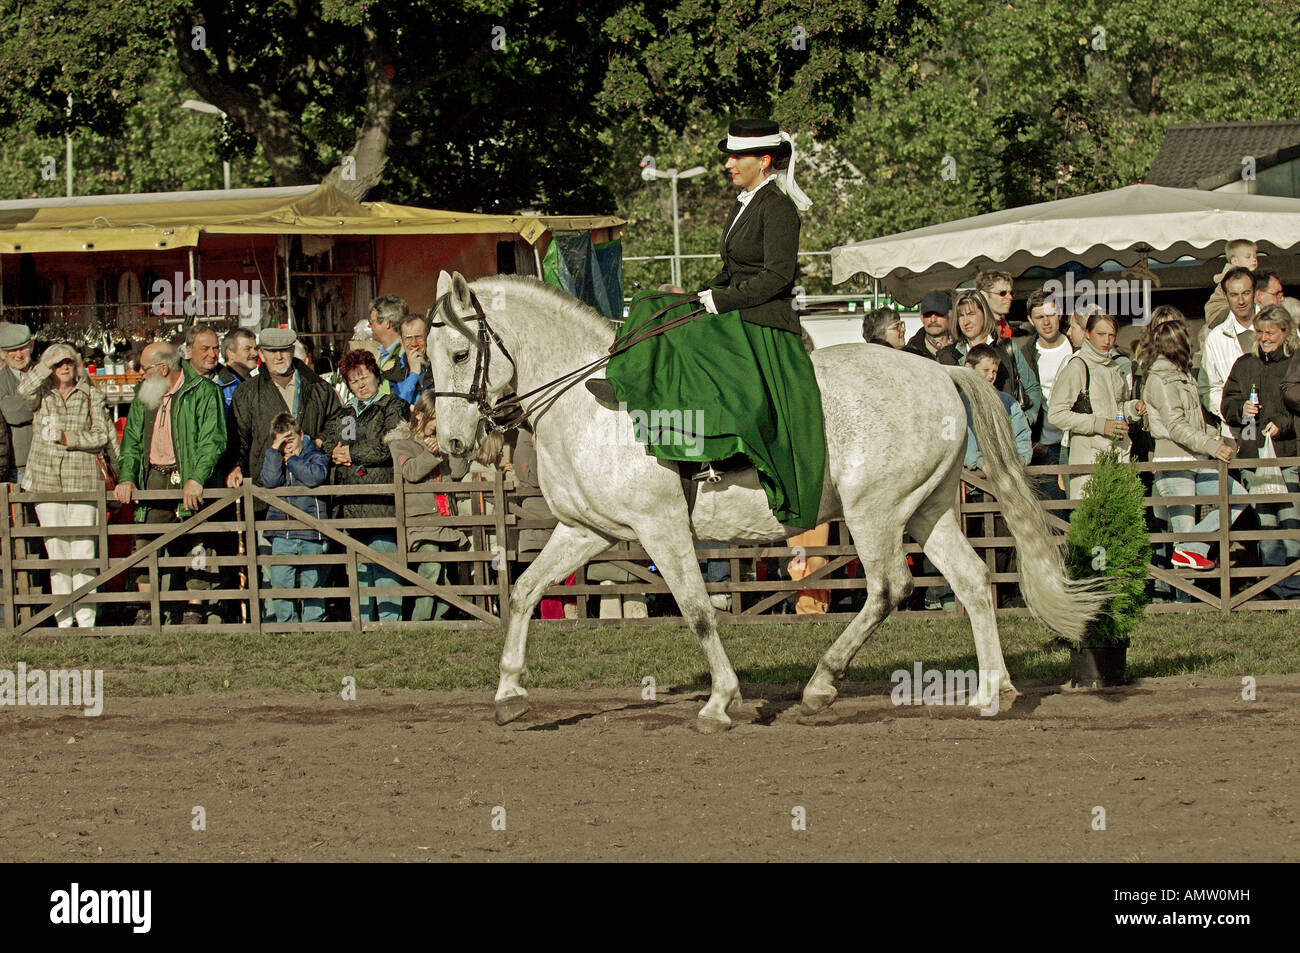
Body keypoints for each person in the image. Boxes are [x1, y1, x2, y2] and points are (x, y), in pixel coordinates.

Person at [594, 117, 824, 529]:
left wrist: (721, 300)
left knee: (682, 335)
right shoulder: (743, 204)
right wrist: (697, 295)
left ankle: (708, 442)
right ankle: (623, 377)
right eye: (729, 157)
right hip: (735, 304)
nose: (728, 164)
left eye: (737, 157)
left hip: (762, 318)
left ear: (764, 160)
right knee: (651, 302)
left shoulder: (778, 207)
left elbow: (776, 277)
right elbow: (731, 268)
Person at [113, 340, 228, 625]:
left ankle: (194, 608)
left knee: (197, 542)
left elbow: (212, 440)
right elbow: (132, 442)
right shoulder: (145, 394)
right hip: (154, 474)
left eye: (144, 368)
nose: (140, 373)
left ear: (163, 368)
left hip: (187, 474)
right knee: (145, 540)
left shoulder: (204, 392)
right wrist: (127, 477)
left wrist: (196, 478)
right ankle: (147, 609)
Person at [18, 344, 115, 627]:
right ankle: (63, 617)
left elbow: (101, 436)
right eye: (57, 363)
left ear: (77, 365)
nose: (64, 366)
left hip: (82, 480)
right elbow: (24, 390)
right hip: (45, 482)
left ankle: (86, 619)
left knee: (84, 551)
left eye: (68, 361)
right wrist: (44, 365)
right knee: (57, 553)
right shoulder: (41, 395)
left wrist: (68, 437)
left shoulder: (91, 395)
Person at [1141, 320, 1246, 573]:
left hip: (1198, 455)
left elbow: (1196, 419)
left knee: (1237, 497)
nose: (1190, 341)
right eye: (1185, 336)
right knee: (1183, 531)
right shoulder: (1160, 379)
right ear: (1176, 342)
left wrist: (1215, 437)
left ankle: (1189, 548)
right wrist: (1212, 445)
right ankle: (1183, 604)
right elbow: (1176, 425)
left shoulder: (1184, 374)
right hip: (1174, 460)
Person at [320, 348, 408, 623]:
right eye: (353, 380)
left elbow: (390, 445)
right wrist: (332, 453)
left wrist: (353, 454)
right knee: (358, 568)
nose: (360, 384)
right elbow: (329, 440)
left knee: (385, 565)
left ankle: (389, 623)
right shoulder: (346, 414)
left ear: (376, 375)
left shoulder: (392, 406)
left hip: (380, 503)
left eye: (364, 377)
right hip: (350, 504)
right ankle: (364, 622)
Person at [1221, 304, 1300, 597]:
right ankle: (1275, 589)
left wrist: (1282, 424)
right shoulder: (1245, 364)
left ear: (1285, 332)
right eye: (1260, 332)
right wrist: (1240, 409)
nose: (1264, 337)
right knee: (1266, 526)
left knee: (1291, 523)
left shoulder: (1295, 364)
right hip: (1254, 456)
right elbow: (1226, 403)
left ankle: (1294, 587)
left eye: (1271, 332)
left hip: (1287, 454)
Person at [387, 392, 468, 621]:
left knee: (444, 573)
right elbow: (411, 472)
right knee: (430, 568)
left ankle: (440, 622)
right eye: (436, 418)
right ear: (421, 416)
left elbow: (458, 472)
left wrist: (454, 447)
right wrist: (428, 453)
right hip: (421, 521)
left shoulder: (441, 441)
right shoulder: (401, 443)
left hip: (445, 519)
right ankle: (420, 622)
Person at [226, 327, 340, 490]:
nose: (278, 356)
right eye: (272, 351)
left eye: (284, 350)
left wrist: (319, 442)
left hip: (311, 488)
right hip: (266, 488)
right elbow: (238, 438)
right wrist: (236, 466)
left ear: (292, 350)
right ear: (261, 354)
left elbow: (337, 423)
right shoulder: (246, 392)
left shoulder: (319, 388)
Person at [1046, 312, 1144, 499]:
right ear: (1088, 333)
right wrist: (1099, 424)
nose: (1107, 340)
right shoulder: (1077, 365)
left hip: (1118, 457)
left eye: (1111, 335)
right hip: (1088, 461)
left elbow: (1117, 408)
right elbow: (1056, 414)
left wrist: (1133, 409)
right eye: (1101, 334)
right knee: (1090, 523)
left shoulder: (1113, 366)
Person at [260, 412, 331, 623]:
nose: (287, 446)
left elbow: (315, 476)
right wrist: (274, 451)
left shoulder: (316, 456)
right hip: (283, 532)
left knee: (313, 583)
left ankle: (313, 623)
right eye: (282, 442)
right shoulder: (277, 459)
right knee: (280, 581)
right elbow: (270, 481)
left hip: (311, 531)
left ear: (301, 434)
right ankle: (286, 625)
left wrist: (292, 461)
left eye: (290, 439)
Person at [938, 290, 1042, 425]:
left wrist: (1025, 420)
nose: (965, 321)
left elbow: (1033, 388)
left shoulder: (1007, 348)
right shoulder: (949, 357)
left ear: (984, 314)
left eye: (971, 314)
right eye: (961, 316)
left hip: (1006, 434)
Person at [1020, 290, 1074, 497]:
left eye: (1050, 315)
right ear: (1030, 320)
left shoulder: (1076, 347)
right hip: (1045, 445)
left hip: (1076, 441)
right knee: (1054, 511)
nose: (1046, 322)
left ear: (1059, 313)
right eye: (1040, 317)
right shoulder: (1025, 355)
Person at [1200, 266, 1259, 436]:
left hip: (1277, 429)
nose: (1241, 301)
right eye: (1234, 295)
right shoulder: (1216, 338)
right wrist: (1233, 410)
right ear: (1225, 296)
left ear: (1254, 292)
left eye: (1246, 293)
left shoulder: (1279, 328)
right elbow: (1208, 388)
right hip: (1235, 430)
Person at [0, 324, 34, 484]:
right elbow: (12, 413)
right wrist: (41, 401)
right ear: (2, 354)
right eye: (12, 351)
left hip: (52, 463)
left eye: (23, 348)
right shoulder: (1, 380)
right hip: (19, 465)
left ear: (31, 346)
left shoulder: (47, 374)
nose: (19, 355)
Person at [391, 314, 435, 403]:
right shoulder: (392, 373)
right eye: (408, 338)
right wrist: (413, 375)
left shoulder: (440, 366)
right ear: (401, 340)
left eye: (418, 337)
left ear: (428, 336)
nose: (414, 343)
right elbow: (396, 410)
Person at [367, 294, 409, 384]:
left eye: (372, 322)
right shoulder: (380, 353)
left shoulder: (405, 355)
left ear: (386, 323)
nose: (369, 326)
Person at [903, 290, 954, 359]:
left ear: (949, 316)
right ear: (921, 318)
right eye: (928, 315)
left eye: (939, 314)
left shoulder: (963, 346)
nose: (933, 320)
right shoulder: (911, 353)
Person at [976, 270, 1015, 339]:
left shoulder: (1003, 325)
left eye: (1011, 293)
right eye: (1003, 293)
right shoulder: (976, 328)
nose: (1010, 297)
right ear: (984, 295)